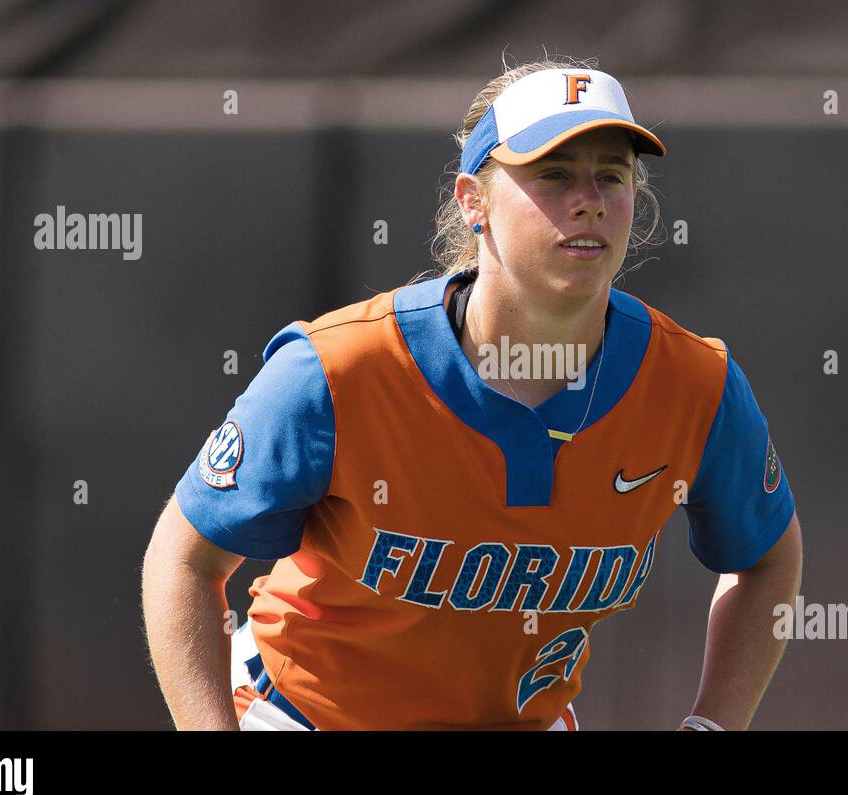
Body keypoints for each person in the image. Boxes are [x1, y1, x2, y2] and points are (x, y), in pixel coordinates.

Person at [142, 56, 803, 731]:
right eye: (553, 173)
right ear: (472, 200)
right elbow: (184, 558)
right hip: (305, 712)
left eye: (612, 174)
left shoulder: (693, 384)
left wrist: (713, 723)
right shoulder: (340, 370)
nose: (590, 199)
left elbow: (769, 559)